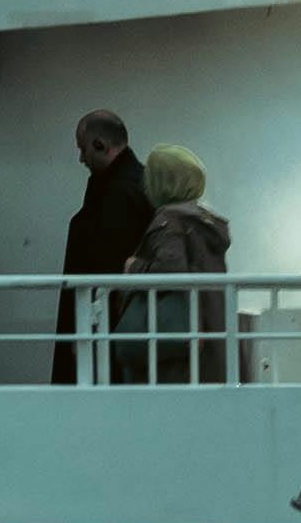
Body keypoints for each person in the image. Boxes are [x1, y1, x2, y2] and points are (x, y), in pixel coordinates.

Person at [120, 145, 238, 384]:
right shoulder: (206, 223)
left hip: (178, 350)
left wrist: (134, 268)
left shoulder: (169, 221)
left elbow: (170, 270)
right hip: (210, 337)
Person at [55, 112, 153, 387]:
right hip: (114, 327)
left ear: (99, 145)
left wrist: (82, 331)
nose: (81, 158)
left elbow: (105, 266)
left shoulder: (116, 194)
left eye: (82, 148)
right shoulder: (134, 184)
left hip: (103, 328)